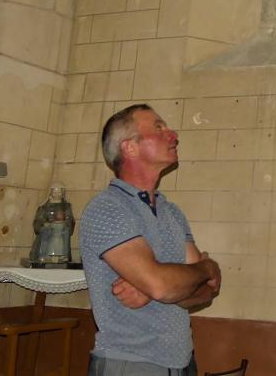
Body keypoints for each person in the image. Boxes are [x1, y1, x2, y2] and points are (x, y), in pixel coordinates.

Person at [80, 104, 221, 376]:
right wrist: (206, 267)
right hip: (131, 364)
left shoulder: (172, 212)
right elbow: (162, 285)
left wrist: (163, 288)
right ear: (129, 147)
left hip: (182, 362)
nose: (173, 134)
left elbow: (207, 290)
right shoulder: (107, 209)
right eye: (158, 128)